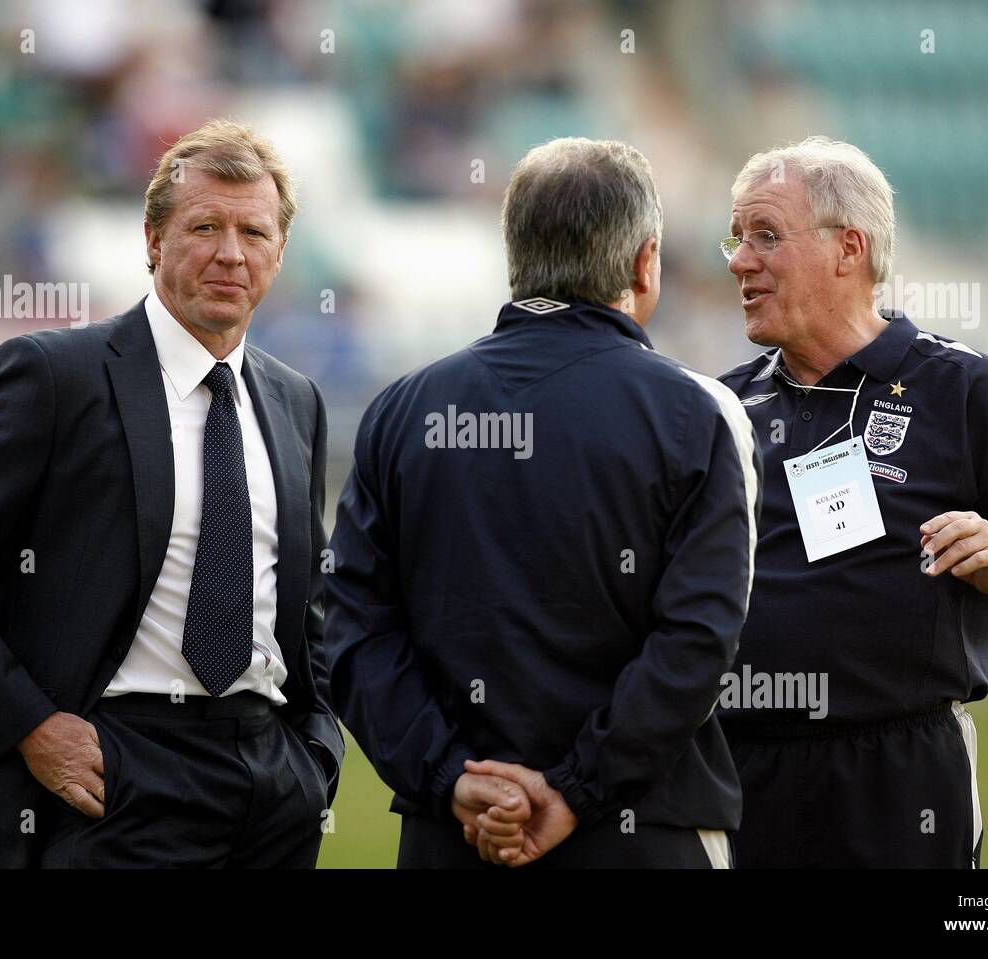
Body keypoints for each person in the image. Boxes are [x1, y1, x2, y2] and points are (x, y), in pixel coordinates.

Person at [0, 119, 343, 868]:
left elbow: (306, 602)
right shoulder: (55, 377)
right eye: (205, 226)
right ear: (153, 239)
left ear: (280, 253)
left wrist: (315, 752)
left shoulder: (296, 400)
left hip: (271, 795)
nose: (230, 252)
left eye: (253, 232)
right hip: (110, 778)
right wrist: (30, 726)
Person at [323, 137, 761, 868]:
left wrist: (451, 777)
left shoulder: (402, 409)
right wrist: (577, 788)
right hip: (643, 832)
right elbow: (698, 642)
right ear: (644, 260)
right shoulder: (700, 413)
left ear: (515, 254)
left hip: (453, 837)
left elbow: (355, 630)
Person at [716, 136, 988, 868]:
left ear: (849, 248)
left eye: (765, 236)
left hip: (900, 777)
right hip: (741, 772)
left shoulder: (961, 388)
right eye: (736, 238)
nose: (740, 259)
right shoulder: (723, 405)